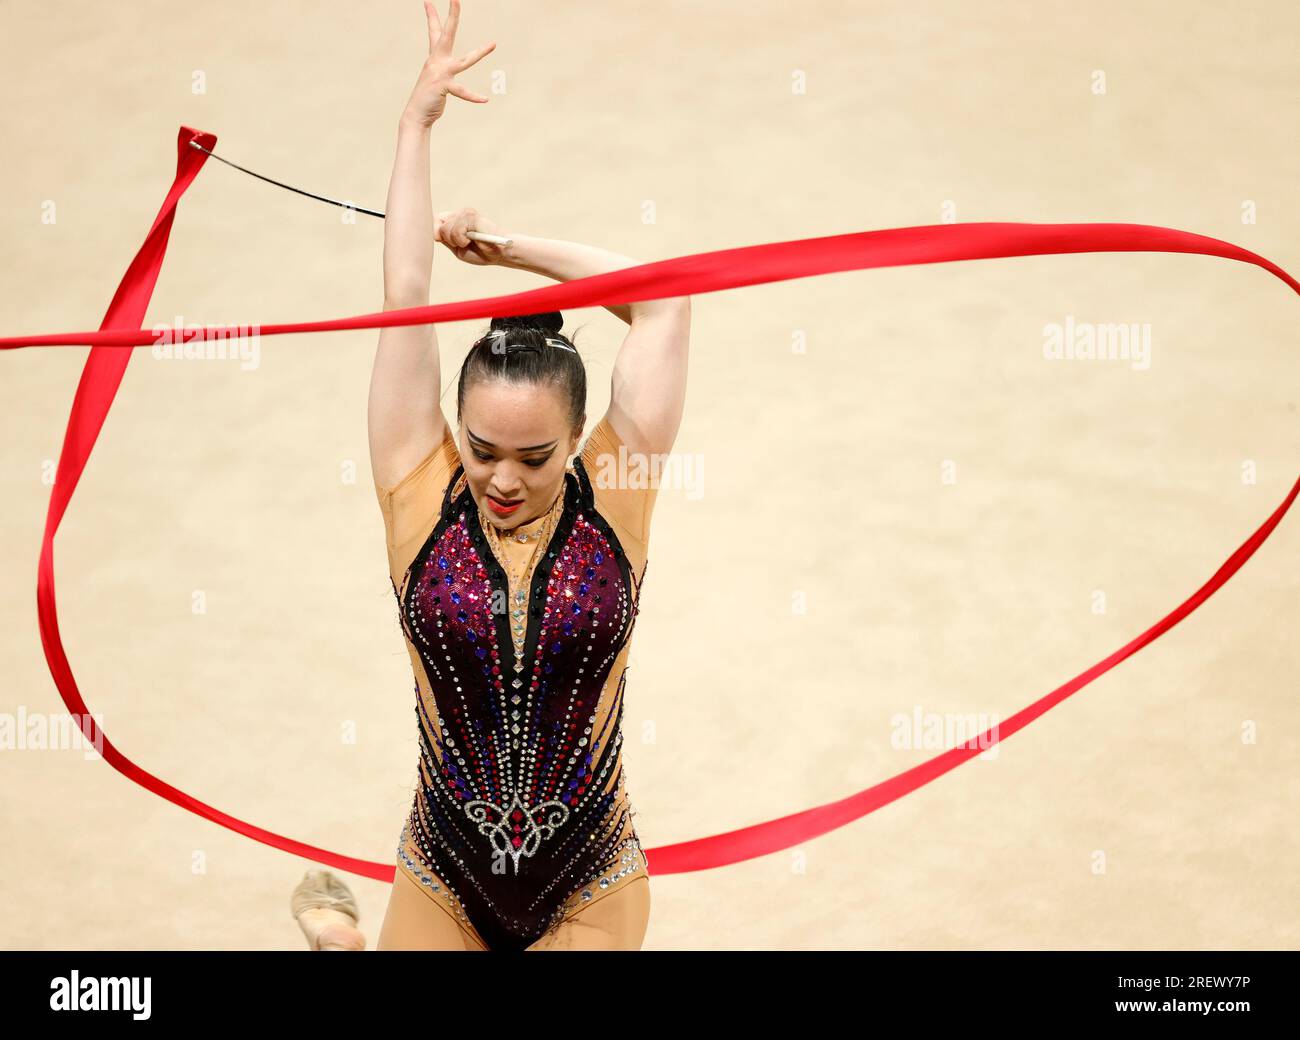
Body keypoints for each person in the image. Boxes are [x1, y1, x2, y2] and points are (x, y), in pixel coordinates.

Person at [293, 0, 690, 951]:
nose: (501, 476)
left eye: (535, 456)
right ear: (454, 431)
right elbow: (404, 297)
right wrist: (415, 123)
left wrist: (507, 248)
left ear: (579, 438)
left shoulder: (616, 492)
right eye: (481, 448)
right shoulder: (419, 490)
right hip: (445, 868)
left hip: (590, 871)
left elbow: (666, 301)